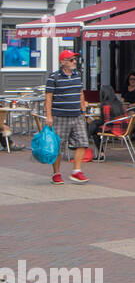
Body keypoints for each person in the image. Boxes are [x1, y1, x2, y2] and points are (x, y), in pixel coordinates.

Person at [44, 49, 90, 184]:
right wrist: (49, 116)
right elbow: (48, 98)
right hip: (60, 116)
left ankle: (76, 171)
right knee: (58, 146)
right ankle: (56, 173)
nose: (74, 62)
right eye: (71, 60)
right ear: (63, 62)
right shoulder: (53, 77)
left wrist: (83, 110)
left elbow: (80, 93)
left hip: (76, 115)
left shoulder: (77, 76)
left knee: (82, 142)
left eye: (75, 59)